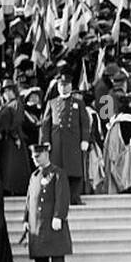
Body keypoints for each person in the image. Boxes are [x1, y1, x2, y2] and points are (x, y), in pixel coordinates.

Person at [21, 142, 72, 262]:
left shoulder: (57, 173)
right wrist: (26, 219)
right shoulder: (34, 176)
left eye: (38, 156)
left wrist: (59, 216)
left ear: (46, 154)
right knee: (39, 250)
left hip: (51, 218)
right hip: (36, 220)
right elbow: (29, 199)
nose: (35, 159)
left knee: (56, 250)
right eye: (33, 156)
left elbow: (62, 196)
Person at [40, 70, 90, 204]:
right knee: (57, 171)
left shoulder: (78, 103)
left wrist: (85, 139)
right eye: (61, 85)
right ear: (57, 86)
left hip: (73, 142)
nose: (64, 87)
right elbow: (45, 124)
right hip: (57, 142)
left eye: (66, 85)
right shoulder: (51, 102)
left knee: (74, 171)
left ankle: (74, 197)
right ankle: (58, 198)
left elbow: (85, 122)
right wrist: (45, 140)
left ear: (71, 86)